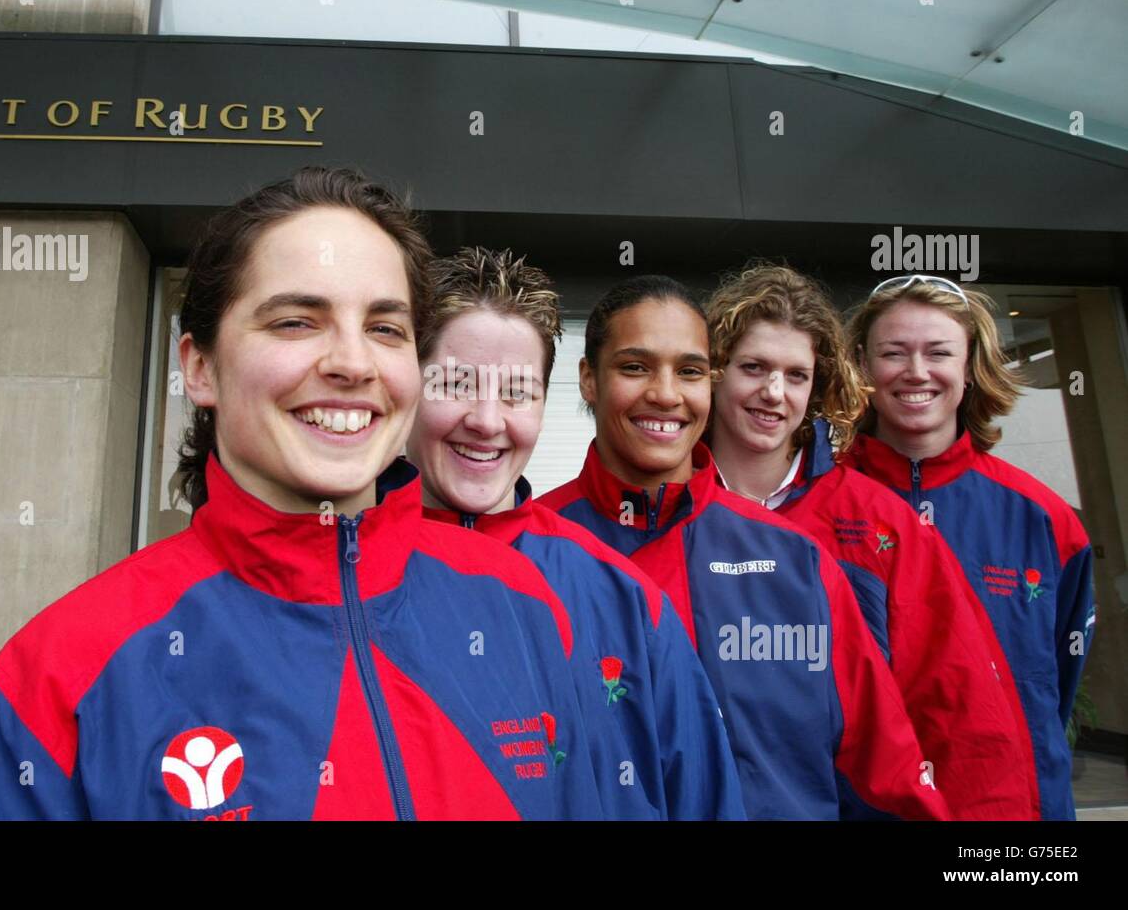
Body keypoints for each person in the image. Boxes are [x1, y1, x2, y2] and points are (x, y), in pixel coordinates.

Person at [0, 167, 607, 820]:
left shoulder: (526, 604)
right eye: (295, 321)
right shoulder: (55, 676)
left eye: (385, 327)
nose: (352, 362)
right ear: (199, 367)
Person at [539, 274, 948, 820]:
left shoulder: (798, 562)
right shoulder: (524, 550)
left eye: (688, 371)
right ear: (588, 379)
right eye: (635, 366)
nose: (665, 393)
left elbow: (886, 776)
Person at [407, 246, 744, 820]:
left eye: (517, 391)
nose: (488, 421)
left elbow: (705, 801)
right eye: (458, 383)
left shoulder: (624, 597)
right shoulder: (334, 585)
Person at [703, 261, 1037, 819]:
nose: (773, 392)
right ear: (714, 371)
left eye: (797, 374)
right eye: (752, 367)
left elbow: (959, 708)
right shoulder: (658, 512)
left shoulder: (882, 521)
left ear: (820, 386)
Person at [844, 274, 1097, 821]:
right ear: (863, 365)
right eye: (894, 353)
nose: (916, 371)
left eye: (938, 352)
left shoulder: (1044, 519)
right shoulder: (816, 510)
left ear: (970, 365)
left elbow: (1056, 678)